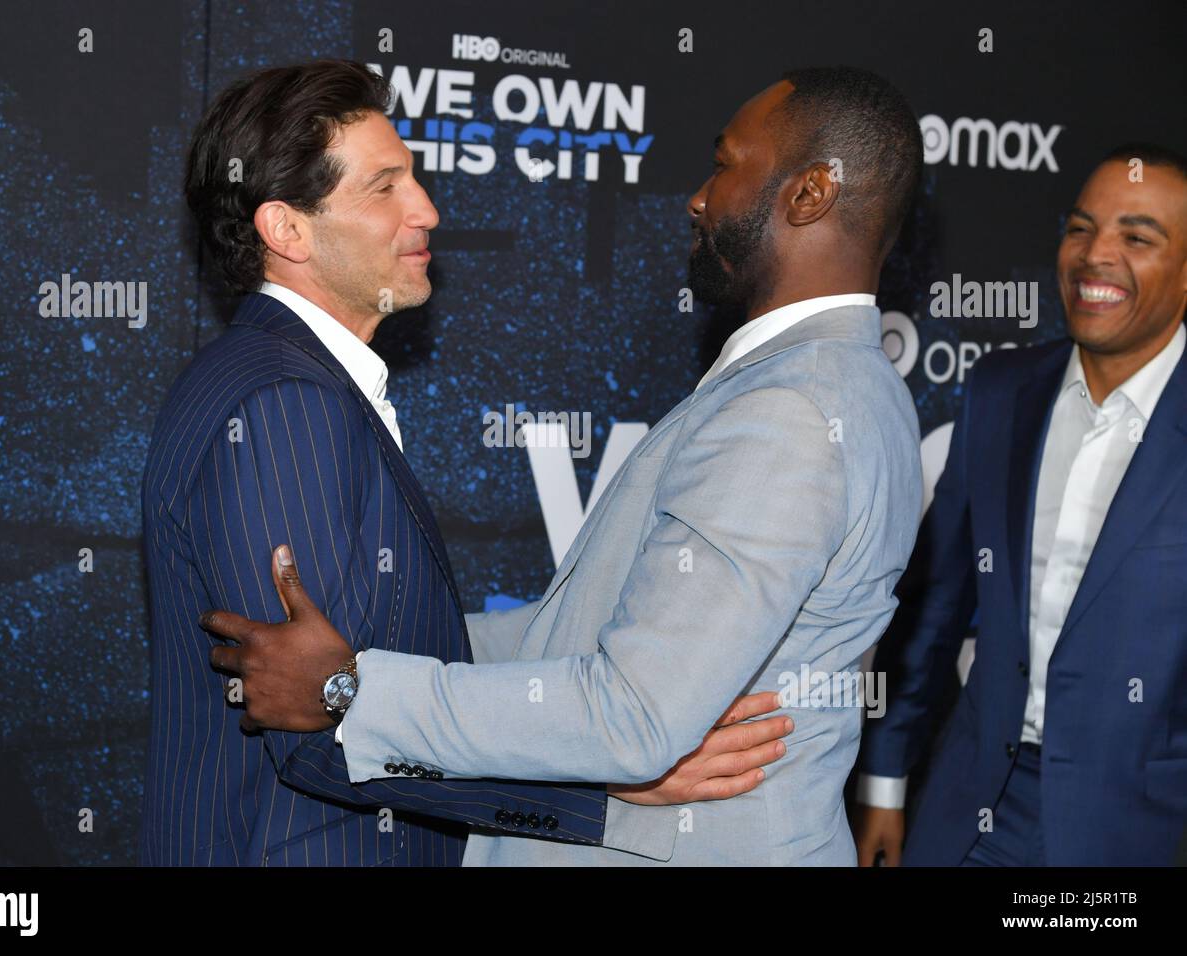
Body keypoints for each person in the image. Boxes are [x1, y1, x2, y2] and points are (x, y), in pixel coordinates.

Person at [202, 66, 926, 865]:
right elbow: (581, 636)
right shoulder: (836, 382)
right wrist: (368, 650)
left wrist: (349, 690)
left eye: (725, 164)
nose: (697, 196)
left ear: (809, 194)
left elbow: (634, 718)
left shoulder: (790, 409)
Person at [855, 144, 1187, 866]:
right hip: (970, 810)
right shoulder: (1002, 390)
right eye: (1079, 228)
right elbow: (933, 606)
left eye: (1137, 236)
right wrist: (885, 781)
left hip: (1141, 830)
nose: (1095, 255)